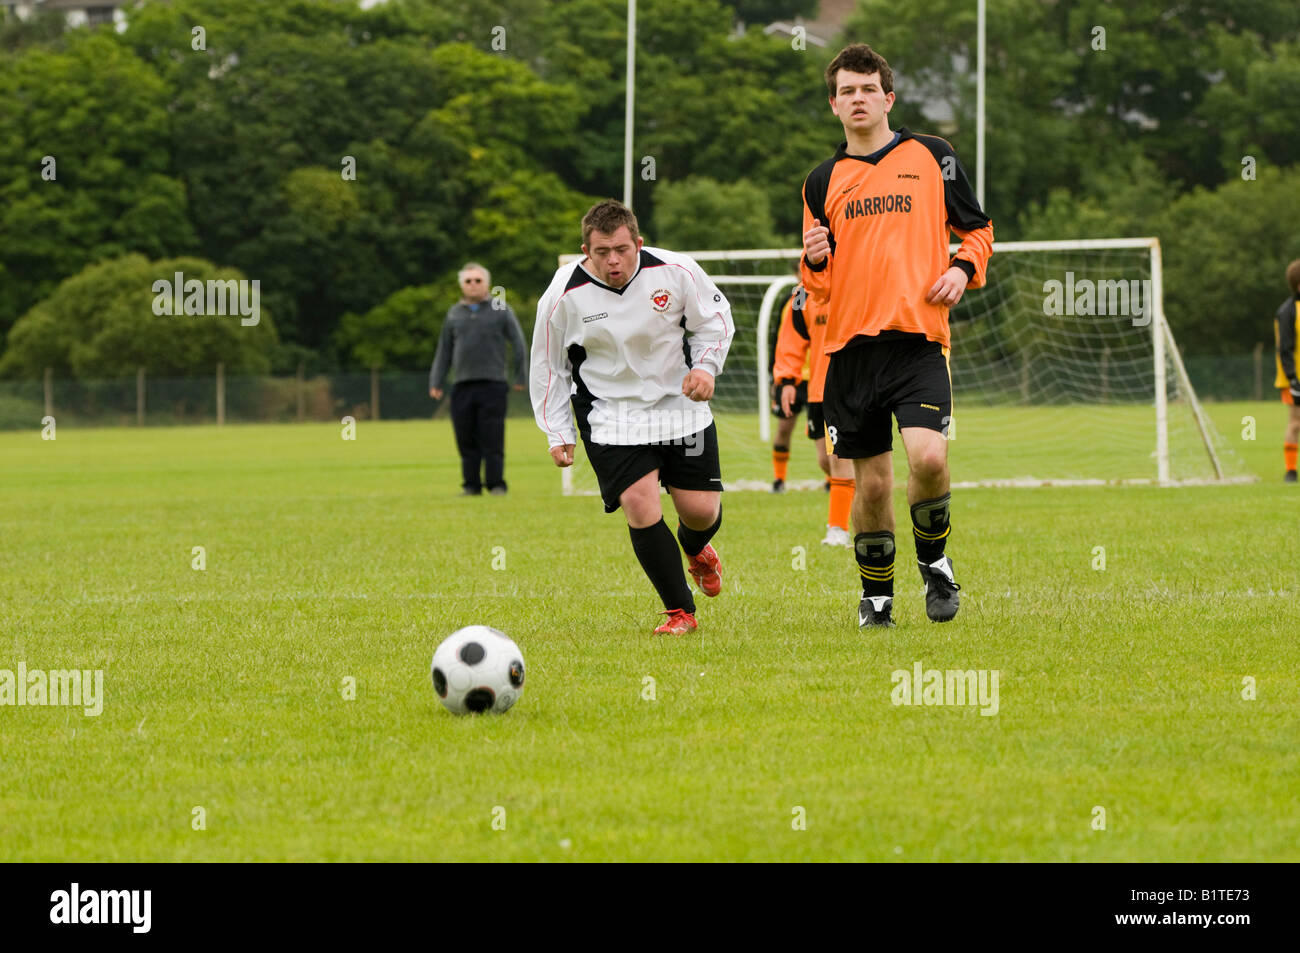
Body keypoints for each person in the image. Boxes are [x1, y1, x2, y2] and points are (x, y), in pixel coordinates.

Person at [800, 43, 993, 628]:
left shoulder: (934, 156)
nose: (857, 99)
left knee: (929, 458)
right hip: (849, 353)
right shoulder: (820, 182)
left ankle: (935, 565)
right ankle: (877, 598)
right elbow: (820, 287)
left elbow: (978, 229)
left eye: (867, 89)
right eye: (846, 92)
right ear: (834, 105)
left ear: (888, 97)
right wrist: (812, 260)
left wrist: (961, 269)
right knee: (874, 485)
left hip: (918, 342)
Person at [531, 199, 733, 635]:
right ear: (585, 250)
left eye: (622, 249)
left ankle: (697, 548)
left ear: (638, 242)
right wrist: (557, 430)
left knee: (699, 512)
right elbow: (548, 365)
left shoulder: (676, 270)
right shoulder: (563, 293)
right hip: (611, 415)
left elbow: (715, 321)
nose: (613, 260)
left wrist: (705, 366)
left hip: (681, 409)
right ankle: (681, 611)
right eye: (601, 252)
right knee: (640, 505)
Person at [429, 263, 527, 496]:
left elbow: (519, 343)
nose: (473, 284)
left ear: (487, 284)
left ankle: (496, 484)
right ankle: (471, 485)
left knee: (492, 436)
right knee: (465, 438)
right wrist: (436, 381)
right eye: (468, 281)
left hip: (493, 384)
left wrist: (521, 375)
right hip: (462, 385)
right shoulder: (454, 313)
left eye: (478, 280)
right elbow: (444, 350)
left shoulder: (501, 309)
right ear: (462, 285)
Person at [772, 282, 857, 547]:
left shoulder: (855, 279)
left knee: (838, 458)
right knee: (825, 460)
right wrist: (787, 380)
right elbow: (792, 338)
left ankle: (838, 528)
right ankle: (864, 505)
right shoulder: (800, 296)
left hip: (851, 385)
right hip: (818, 389)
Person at [769, 286, 809, 495]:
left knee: (826, 440)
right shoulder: (797, 298)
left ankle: (833, 480)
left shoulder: (833, 292)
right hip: (792, 378)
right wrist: (773, 375)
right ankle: (779, 479)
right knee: (784, 428)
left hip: (820, 377)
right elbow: (780, 338)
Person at [1274, 258, 1300, 483]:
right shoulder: (1287, 311)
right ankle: (1291, 471)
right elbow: (1284, 349)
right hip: (1295, 378)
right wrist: (1293, 378)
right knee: (1296, 422)